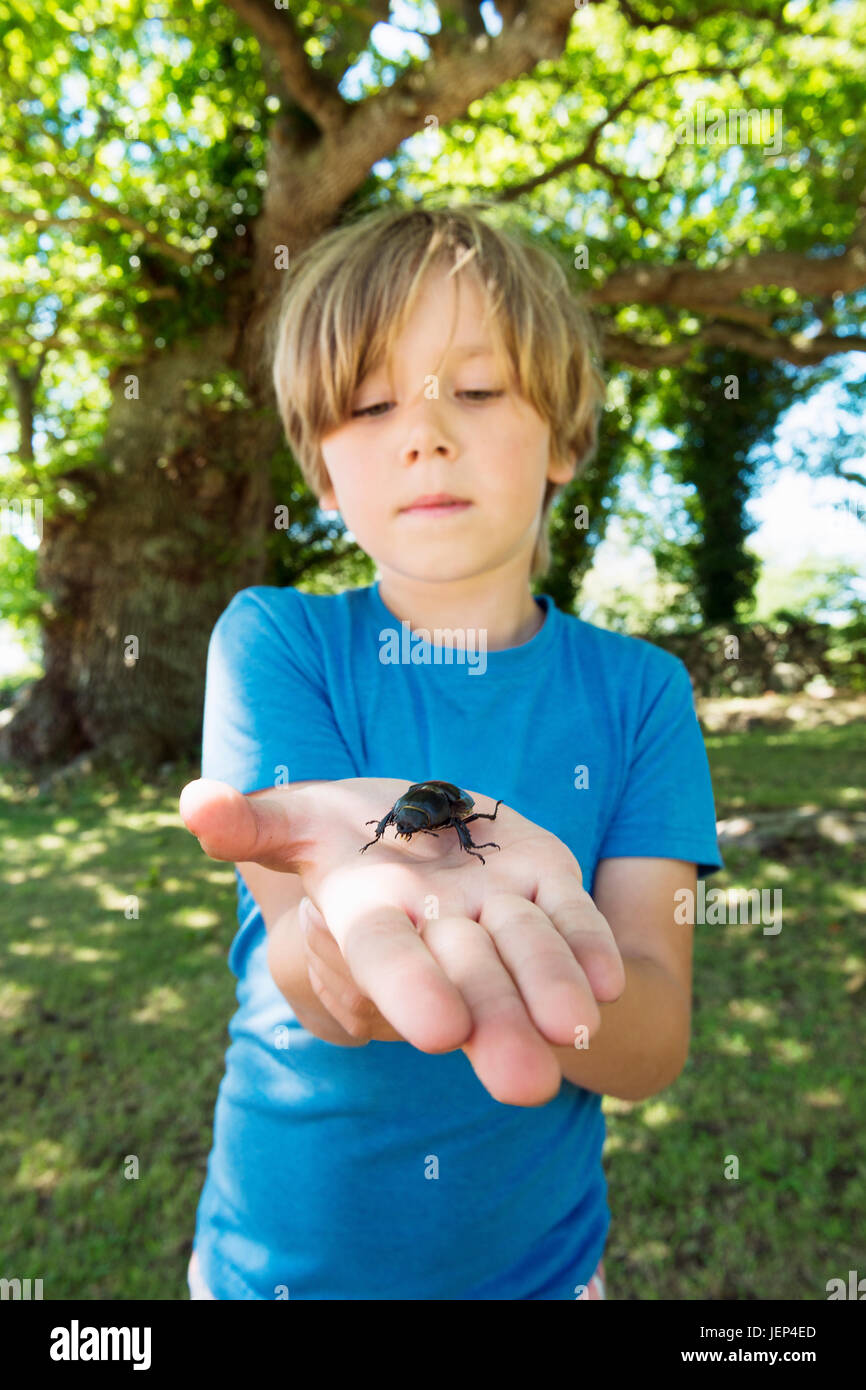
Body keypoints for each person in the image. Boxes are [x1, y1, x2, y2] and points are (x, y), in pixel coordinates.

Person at [179, 203, 723, 1300]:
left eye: (474, 390)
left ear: (565, 436)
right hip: (275, 1265)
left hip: (540, 1274)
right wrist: (350, 921)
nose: (424, 430)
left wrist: (529, 972)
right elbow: (312, 955)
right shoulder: (274, 641)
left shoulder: (643, 695)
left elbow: (653, 1033)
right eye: (372, 402)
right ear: (322, 475)